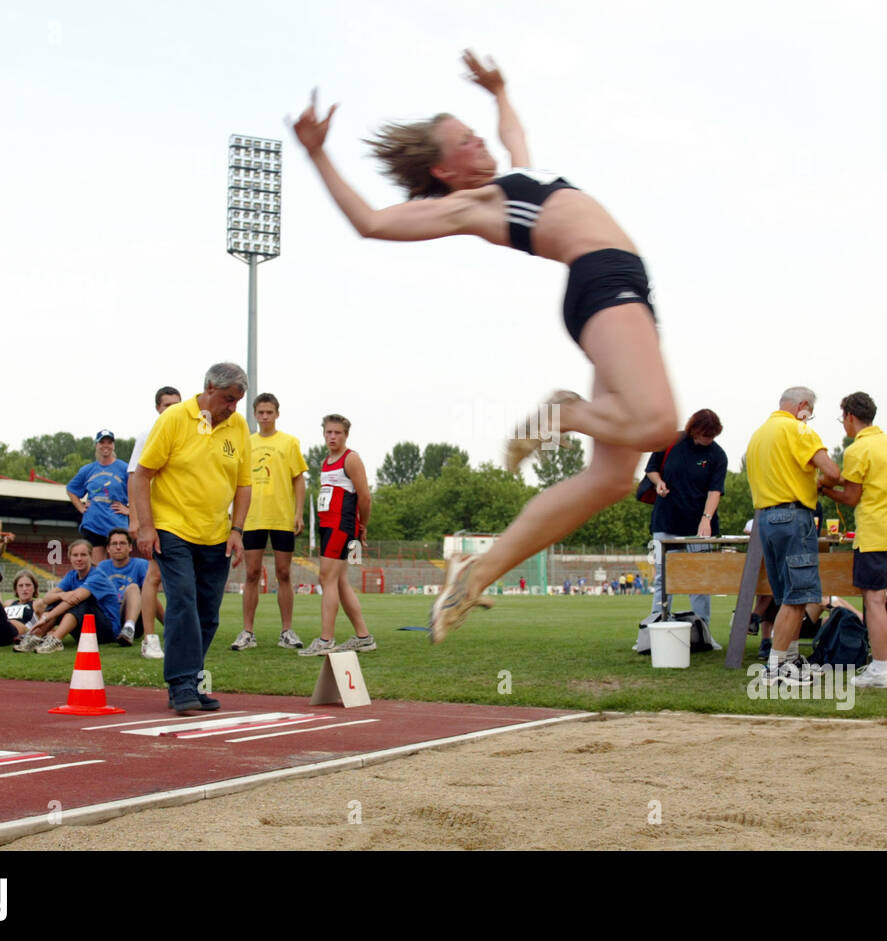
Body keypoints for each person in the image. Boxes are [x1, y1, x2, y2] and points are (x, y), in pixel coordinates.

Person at [290, 51, 677, 643]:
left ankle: (475, 575)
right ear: (445, 171)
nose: (479, 143)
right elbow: (370, 221)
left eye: (474, 134)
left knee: (608, 480)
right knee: (656, 424)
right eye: (466, 141)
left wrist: (499, 92)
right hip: (603, 279)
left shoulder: (512, 184)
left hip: (612, 289)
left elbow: (516, 139)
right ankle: (566, 412)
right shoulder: (471, 204)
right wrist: (318, 153)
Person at [130, 363, 252, 713]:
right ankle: (181, 684)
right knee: (182, 600)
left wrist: (237, 530)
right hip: (173, 528)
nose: (232, 407)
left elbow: (244, 484)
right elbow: (142, 475)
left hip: (217, 533)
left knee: (208, 612)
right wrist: (146, 526)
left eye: (237, 401)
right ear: (210, 387)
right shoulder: (173, 419)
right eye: (228, 399)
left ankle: (193, 678)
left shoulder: (238, 426)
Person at [819, 392, 887, 688]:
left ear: (850, 417)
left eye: (843, 418)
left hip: (877, 535)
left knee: (874, 601)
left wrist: (824, 490)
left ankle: (879, 669)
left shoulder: (857, 449)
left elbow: (852, 496)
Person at [745, 387, 842, 686]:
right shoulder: (799, 431)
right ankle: (776, 668)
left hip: (766, 520)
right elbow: (832, 471)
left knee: (786, 594)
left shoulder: (759, 435)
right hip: (793, 517)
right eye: (809, 412)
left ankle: (790, 660)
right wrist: (823, 483)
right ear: (802, 406)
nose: (809, 417)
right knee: (798, 595)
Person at [232, 393, 309, 652]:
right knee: (252, 573)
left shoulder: (289, 442)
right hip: (253, 517)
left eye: (269, 412)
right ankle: (247, 632)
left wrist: (298, 512)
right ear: (254, 415)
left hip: (281, 516)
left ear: (277, 414)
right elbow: (237, 481)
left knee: (284, 573)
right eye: (261, 412)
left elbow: (299, 478)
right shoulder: (246, 443)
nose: (265, 416)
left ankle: (287, 630)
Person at [299, 414, 375, 656]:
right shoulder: (326, 461)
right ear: (323, 433)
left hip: (342, 526)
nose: (332, 436)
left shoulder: (351, 459)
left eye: (338, 433)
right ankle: (364, 637)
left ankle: (325, 640)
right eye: (329, 432)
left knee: (326, 578)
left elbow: (365, 497)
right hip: (328, 525)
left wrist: (363, 525)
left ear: (346, 435)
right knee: (339, 581)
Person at [644, 408, 726, 630]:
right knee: (663, 576)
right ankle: (656, 625)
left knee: (699, 579)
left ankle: (702, 629)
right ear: (694, 430)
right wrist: (658, 482)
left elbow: (715, 491)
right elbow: (651, 469)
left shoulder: (717, 455)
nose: (708, 440)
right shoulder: (671, 441)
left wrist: (706, 518)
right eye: (705, 435)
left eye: (712, 436)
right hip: (667, 519)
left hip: (698, 525)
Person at [127, 386, 182, 660]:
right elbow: (133, 476)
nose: (172, 409)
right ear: (158, 408)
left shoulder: (188, 433)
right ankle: (149, 637)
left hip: (183, 517)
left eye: (176, 404)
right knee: (155, 575)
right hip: (156, 516)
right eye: (166, 405)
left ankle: (178, 635)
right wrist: (135, 518)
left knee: (180, 579)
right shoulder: (148, 436)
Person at [13, 539, 125, 653]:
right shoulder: (71, 575)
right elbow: (47, 598)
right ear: (70, 558)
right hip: (84, 630)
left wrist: (47, 617)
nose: (79, 558)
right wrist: (62, 595)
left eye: (83, 555)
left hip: (107, 632)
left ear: (90, 557)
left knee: (79, 601)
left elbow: (76, 598)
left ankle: (55, 639)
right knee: (57, 599)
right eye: (75, 555)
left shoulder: (97, 575)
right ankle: (35, 637)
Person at [67, 430, 130, 565]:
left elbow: (138, 491)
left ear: (113, 445)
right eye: (102, 442)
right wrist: (81, 507)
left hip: (117, 524)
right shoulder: (87, 470)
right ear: (96, 445)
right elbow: (71, 489)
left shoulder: (124, 468)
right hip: (93, 524)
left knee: (118, 564)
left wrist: (129, 510)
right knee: (98, 568)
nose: (105, 445)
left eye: (109, 442)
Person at [97, 528, 150, 647]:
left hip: (135, 619)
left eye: (122, 543)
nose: (118, 547)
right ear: (108, 549)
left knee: (134, 587)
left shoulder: (140, 565)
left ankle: (128, 629)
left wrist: (167, 626)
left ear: (130, 547)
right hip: (110, 617)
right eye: (114, 544)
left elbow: (151, 599)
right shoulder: (102, 567)